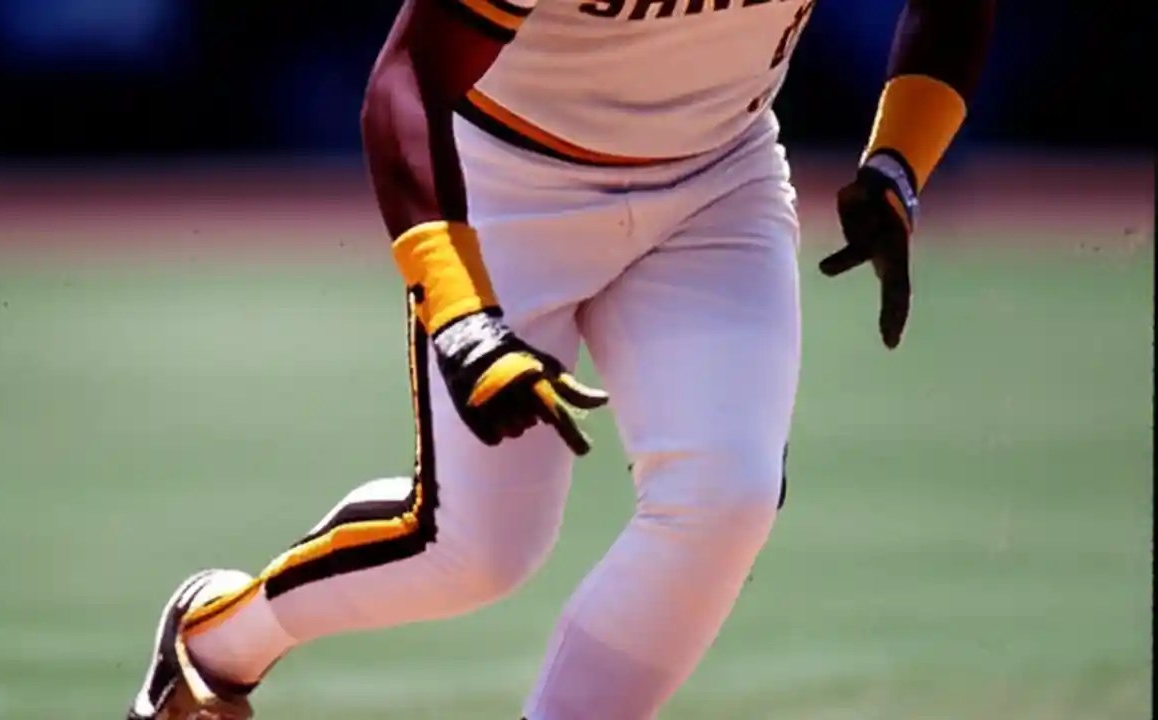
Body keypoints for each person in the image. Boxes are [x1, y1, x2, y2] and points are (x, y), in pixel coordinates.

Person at [126, 0, 993, 717]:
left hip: (718, 178)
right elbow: (405, 80)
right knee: (475, 553)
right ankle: (213, 639)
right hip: (510, 181)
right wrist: (462, 316)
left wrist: (899, 163)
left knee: (726, 497)